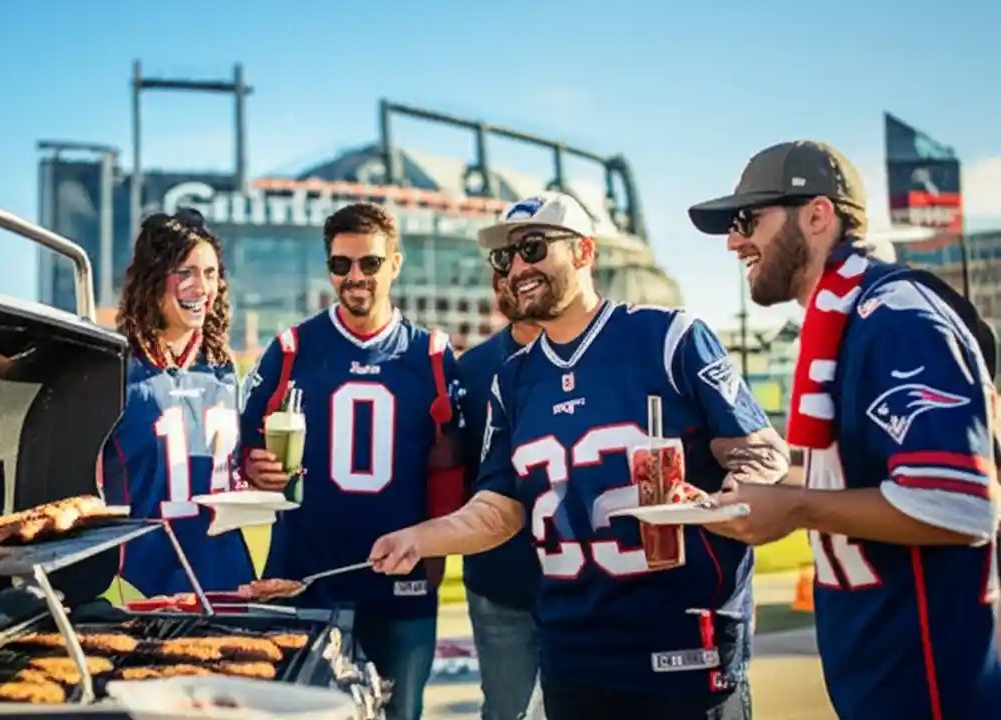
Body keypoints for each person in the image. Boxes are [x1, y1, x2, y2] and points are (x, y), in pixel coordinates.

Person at [368, 191, 791, 720]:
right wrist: (419, 537)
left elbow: (759, 452)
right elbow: (500, 509)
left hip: (681, 648)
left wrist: (725, 501)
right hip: (572, 656)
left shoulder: (668, 338)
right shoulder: (514, 379)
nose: (519, 266)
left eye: (535, 248)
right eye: (507, 256)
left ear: (585, 251)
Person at [687, 140, 1001, 720]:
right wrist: (756, 502)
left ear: (817, 214)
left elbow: (961, 506)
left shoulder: (895, 318)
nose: (733, 241)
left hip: (931, 690)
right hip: (879, 680)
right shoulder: (844, 318)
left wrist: (796, 508)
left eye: (747, 220)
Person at [239, 202, 464, 720]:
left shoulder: (431, 355)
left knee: (398, 713)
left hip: (400, 585)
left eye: (370, 263)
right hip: (307, 579)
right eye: (342, 264)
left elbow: (454, 469)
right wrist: (255, 468)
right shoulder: (293, 348)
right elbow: (245, 449)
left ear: (396, 264)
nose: (355, 276)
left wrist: (434, 560)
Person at [100, 209, 255, 599]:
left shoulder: (223, 369)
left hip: (229, 580)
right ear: (154, 280)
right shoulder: (115, 371)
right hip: (145, 587)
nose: (201, 287)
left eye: (210, 273)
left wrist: (254, 473)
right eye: (185, 272)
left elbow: (228, 472)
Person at [459, 273, 545, 720]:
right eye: (501, 271)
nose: (513, 281)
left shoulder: (604, 357)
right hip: (501, 581)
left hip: (588, 586)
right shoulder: (471, 369)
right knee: (507, 711)